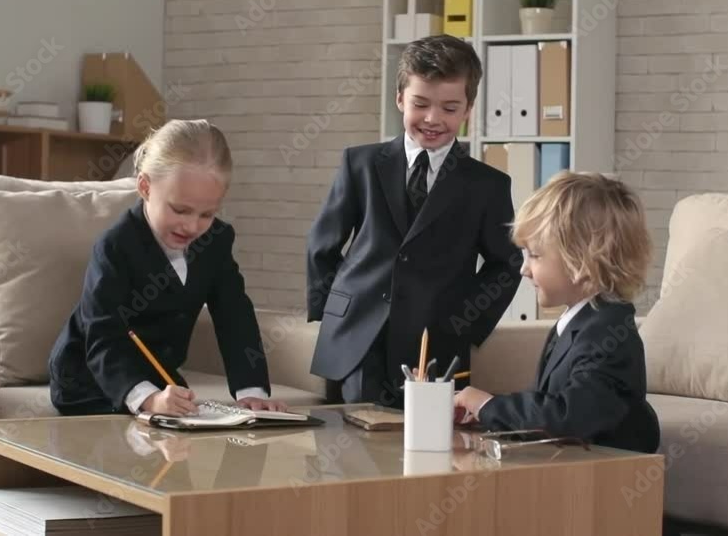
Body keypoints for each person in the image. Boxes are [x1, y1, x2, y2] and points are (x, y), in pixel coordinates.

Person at [306, 34, 523, 407]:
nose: (433, 119)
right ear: (400, 99)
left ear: (469, 108)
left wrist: (467, 320)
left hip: (436, 343)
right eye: (420, 104)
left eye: (450, 108)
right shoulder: (359, 164)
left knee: (424, 447)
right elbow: (322, 244)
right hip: (356, 341)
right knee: (352, 445)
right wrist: (334, 312)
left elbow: (507, 263)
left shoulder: (487, 186)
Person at [48, 119, 286, 417]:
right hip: (89, 380)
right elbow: (103, 336)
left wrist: (251, 392)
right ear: (145, 187)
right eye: (180, 210)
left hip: (160, 377)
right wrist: (148, 399)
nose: (192, 226)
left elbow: (234, 316)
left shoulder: (215, 241)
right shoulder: (115, 247)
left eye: (207, 214)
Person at [453, 172, 661, 454]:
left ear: (583, 260)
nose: (524, 269)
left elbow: (569, 417)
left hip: (601, 478)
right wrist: (486, 412)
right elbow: (547, 402)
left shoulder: (608, 332)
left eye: (535, 255)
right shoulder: (578, 323)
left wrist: (487, 405)